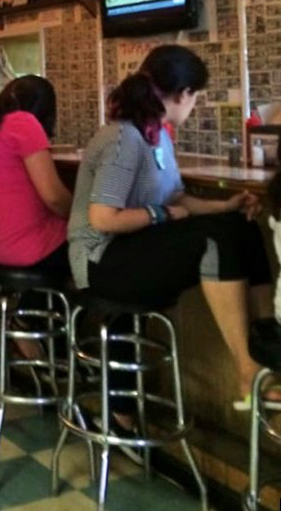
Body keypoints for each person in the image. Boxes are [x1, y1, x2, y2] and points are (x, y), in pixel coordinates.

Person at [67, 44, 273, 421]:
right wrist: (162, 213)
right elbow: (103, 219)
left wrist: (225, 206)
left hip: (132, 249)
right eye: (196, 97)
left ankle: (267, 346)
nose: (193, 106)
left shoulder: (155, 135)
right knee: (213, 240)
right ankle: (247, 371)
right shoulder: (122, 138)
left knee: (238, 227)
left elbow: (177, 197)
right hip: (100, 262)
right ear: (184, 94)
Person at [0, 75, 72, 284]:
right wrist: (83, 214)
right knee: (100, 248)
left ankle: (35, 313)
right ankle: (67, 315)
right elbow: (54, 198)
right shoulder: (23, 123)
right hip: (29, 247)